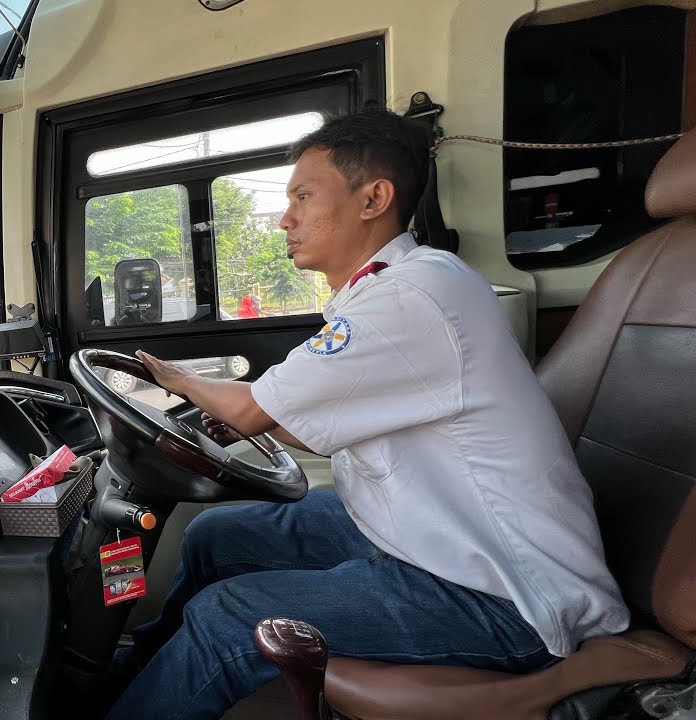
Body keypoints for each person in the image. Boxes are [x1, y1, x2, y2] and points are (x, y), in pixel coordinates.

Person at [109, 109, 629, 720]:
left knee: (228, 614)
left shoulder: (408, 297)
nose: (286, 219)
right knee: (213, 536)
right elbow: (313, 424)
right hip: (431, 536)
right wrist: (257, 416)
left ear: (374, 198)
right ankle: (144, 669)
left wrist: (174, 378)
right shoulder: (401, 287)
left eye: (304, 196)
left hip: (508, 597)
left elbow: (251, 409)